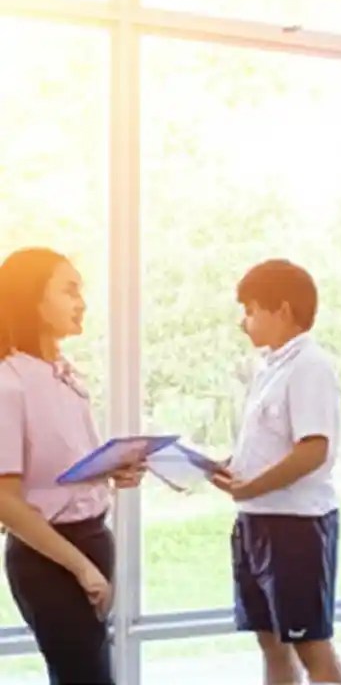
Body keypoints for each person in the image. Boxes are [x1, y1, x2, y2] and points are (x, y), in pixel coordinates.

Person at [0, 247, 145, 684]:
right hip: (49, 559)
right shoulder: (8, 382)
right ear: (33, 299)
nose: (81, 302)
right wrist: (80, 567)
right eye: (69, 290)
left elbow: (55, 471)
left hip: (92, 538)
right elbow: (5, 501)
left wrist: (108, 471)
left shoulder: (64, 374)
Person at [210, 259, 341, 685]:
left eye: (251, 310)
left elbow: (313, 450)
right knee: (270, 643)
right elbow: (271, 444)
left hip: (295, 528)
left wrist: (252, 485)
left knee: (312, 649)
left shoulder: (310, 365)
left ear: (283, 310)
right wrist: (234, 469)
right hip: (256, 521)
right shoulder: (270, 366)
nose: (243, 322)